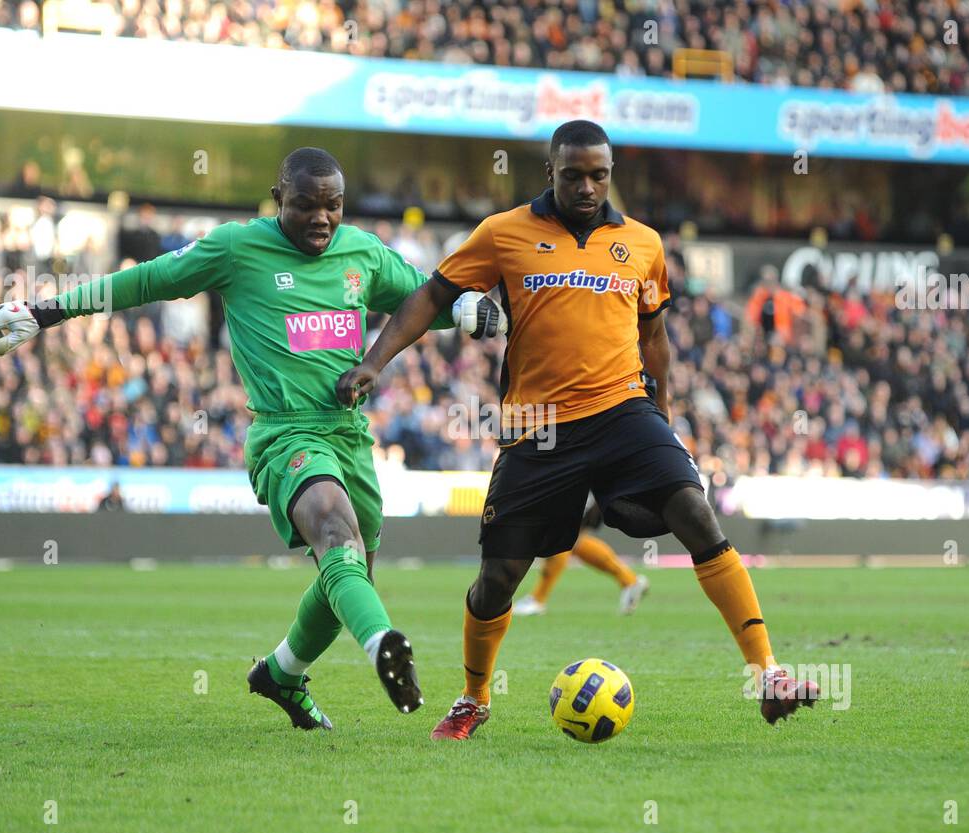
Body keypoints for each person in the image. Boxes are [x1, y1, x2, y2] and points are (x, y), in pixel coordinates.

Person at [0, 147, 503, 731]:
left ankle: (280, 674)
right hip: (282, 434)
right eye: (306, 206)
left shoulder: (363, 255)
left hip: (350, 437)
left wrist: (470, 307)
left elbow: (423, 299)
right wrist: (46, 311)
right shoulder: (236, 248)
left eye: (334, 206)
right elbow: (146, 280)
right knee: (334, 532)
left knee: (346, 577)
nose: (322, 218)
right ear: (279, 200)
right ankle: (383, 645)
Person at [339, 120, 818, 740]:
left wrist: (663, 413)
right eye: (573, 175)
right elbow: (432, 296)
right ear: (550, 173)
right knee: (497, 580)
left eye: (599, 175)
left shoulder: (642, 243)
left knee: (696, 514)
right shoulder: (504, 233)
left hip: (624, 411)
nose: (588, 187)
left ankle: (767, 674)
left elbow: (654, 335)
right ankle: (474, 697)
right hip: (537, 425)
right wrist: (374, 363)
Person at [513, 496, 649, 616]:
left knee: (561, 534)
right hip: (583, 476)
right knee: (572, 538)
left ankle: (538, 599)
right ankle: (630, 581)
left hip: (582, 476)